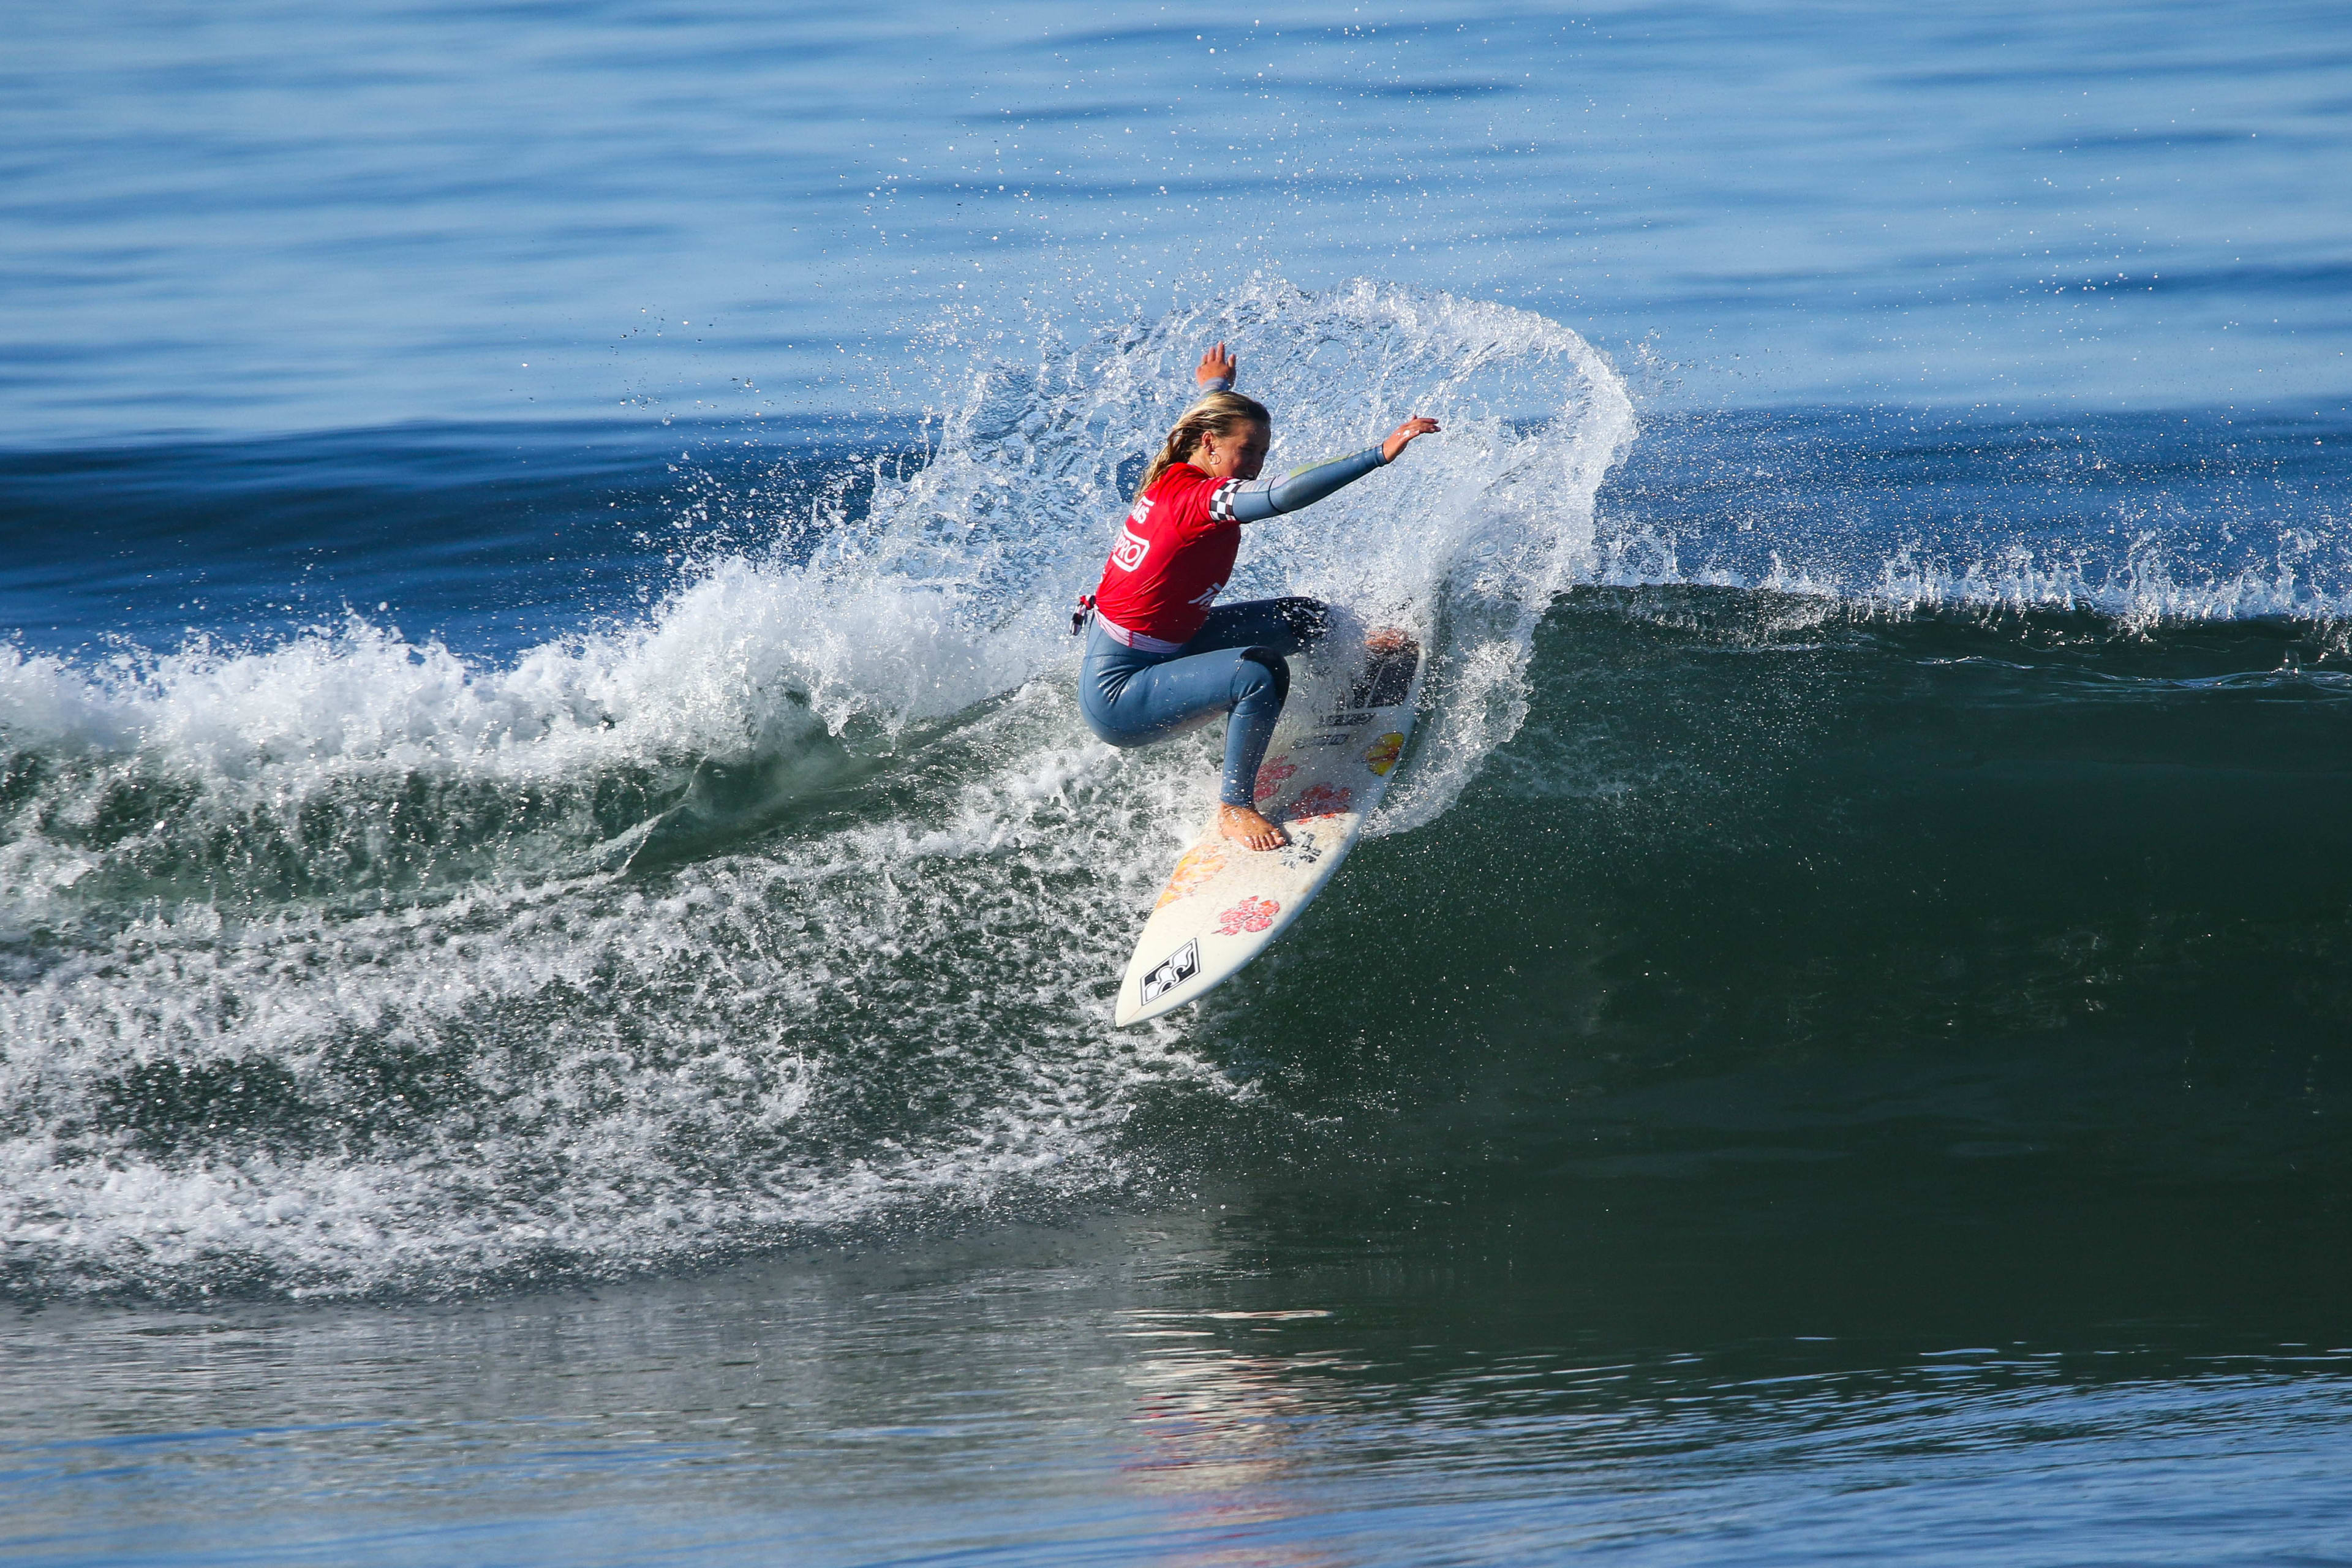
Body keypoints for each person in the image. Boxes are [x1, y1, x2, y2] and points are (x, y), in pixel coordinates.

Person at [1075, 342, 1441, 850]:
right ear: (1209, 445)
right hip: (1121, 693)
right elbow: (1282, 495)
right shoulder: (1197, 498)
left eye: (1263, 454)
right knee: (1259, 672)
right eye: (1248, 452)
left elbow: (1208, 430)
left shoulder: (1180, 468)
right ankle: (1236, 805)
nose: (1255, 466)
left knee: (1304, 618)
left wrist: (1215, 388)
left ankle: (1354, 662)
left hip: (1171, 642)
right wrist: (1378, 454)